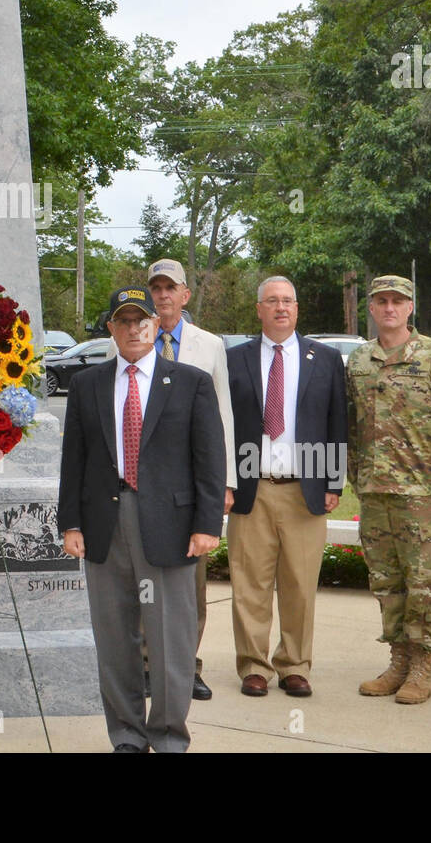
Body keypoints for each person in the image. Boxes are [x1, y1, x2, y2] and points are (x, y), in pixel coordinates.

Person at [58, 286, 225, 753]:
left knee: (171, 639)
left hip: (170, 527)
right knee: (115, 637)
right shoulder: (88, 385)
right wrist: (70, 522)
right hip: (103, 526)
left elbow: (210, 461)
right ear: (111, 329)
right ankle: (127, 735)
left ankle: (169, 736)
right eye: (123, 321)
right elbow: (76, 458)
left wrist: (207, 524)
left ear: (157, 324)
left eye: (142, 320)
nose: (133, 328)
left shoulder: (190, 382)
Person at [346, 275, 431, 704]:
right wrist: (355, 477)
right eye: (381, 301)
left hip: (423, 495)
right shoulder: (360, 361)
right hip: (375, 492)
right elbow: (351, 425)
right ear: (371, 307)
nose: (389, 308)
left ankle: (422, 667)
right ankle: (398, 661)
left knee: (422, 586)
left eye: (397, 302)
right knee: (387, 583)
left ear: (410, 307)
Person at [226, 275, 346, 697]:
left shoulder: (326, 359)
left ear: (297, 309)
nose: (280, 308)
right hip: (250, 488)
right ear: (258, 309)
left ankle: (294, 664)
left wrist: (334, 481)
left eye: (288, 301)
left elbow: (337, 424)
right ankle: (254, 666)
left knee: (299, 584)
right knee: (249, 584)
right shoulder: (234, 359)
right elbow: (220, 427)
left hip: (305, 489)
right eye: (271, 301)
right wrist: (224, 481)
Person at [141, 258, 236, 701]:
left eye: (170, 288)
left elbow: (222, 418)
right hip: (139, 483)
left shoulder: (209, 345)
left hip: (190, 484)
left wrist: (225, 484)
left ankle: (186, 667)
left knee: (189, 585)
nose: (162, 295)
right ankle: (144, 666)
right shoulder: (125, 340)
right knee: (141, 579)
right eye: (155, 288)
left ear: (185, 295)